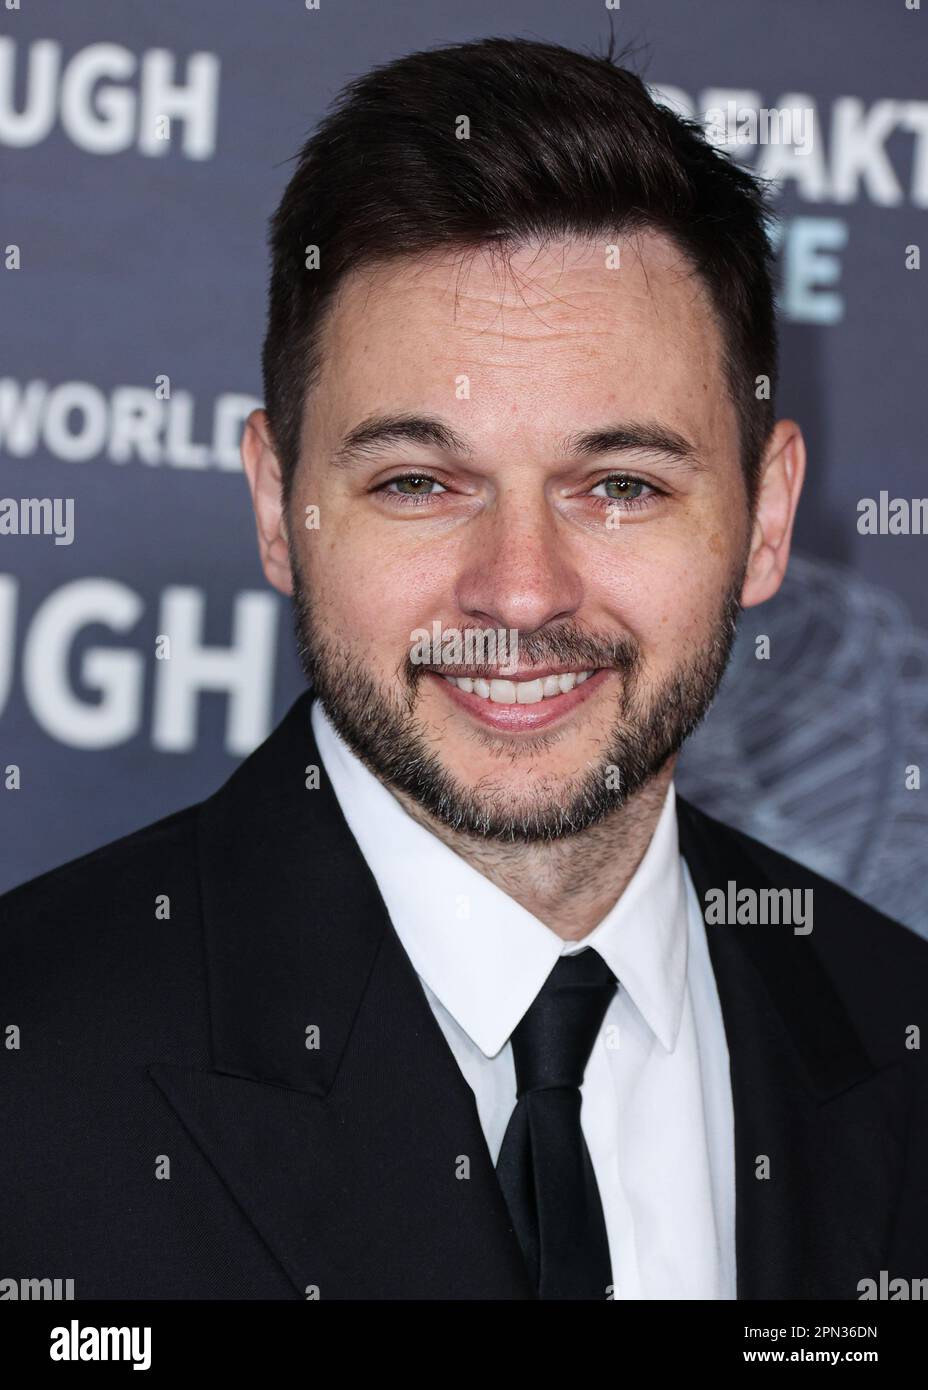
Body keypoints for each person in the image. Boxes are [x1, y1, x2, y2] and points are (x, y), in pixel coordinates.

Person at [2, 35, 926, 1301]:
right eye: (420, 483)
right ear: (279, 507)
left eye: (619, 485)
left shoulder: (898, 1034)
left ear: (766, 521)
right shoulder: (31, 1073)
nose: (521, 589)